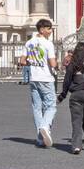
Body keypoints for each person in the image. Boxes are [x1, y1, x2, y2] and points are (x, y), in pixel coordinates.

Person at [57, 41, 84, 153]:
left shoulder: (72, 64)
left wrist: (62, 95)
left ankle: (76, 145)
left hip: (76, 94)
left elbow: (67, 81)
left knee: (76, 121)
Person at [24, 19, 59, 147]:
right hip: (46, 78)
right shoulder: (48, 44)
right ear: (42, 29)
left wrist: (34, 62)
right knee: (51, 106)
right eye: (49, 28)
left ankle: (40, 138)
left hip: (34, 78)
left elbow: (23, 61)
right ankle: (45, 126)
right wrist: (57, 65)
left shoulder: (29, 43)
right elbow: (53, 63)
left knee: (37, 108)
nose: (50, 31)